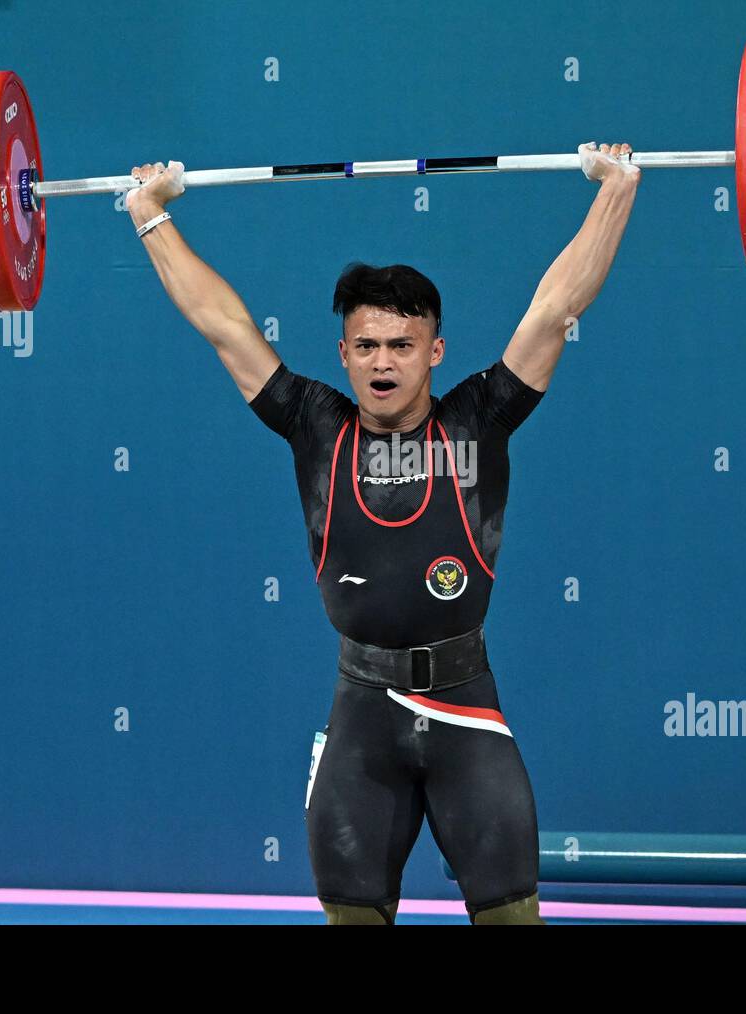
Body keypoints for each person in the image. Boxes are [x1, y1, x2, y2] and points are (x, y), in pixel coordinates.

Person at [127, 142, 640, 924]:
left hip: (466, 710)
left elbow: (556, 307)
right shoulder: (315, 427)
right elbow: (222, 324)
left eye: (402, 346)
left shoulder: (478, 419)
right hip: (361, 720)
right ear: (343, 354)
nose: (382, 363)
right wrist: (150, 215)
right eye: (365, 346)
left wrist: (616, 189)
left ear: (434, 351)